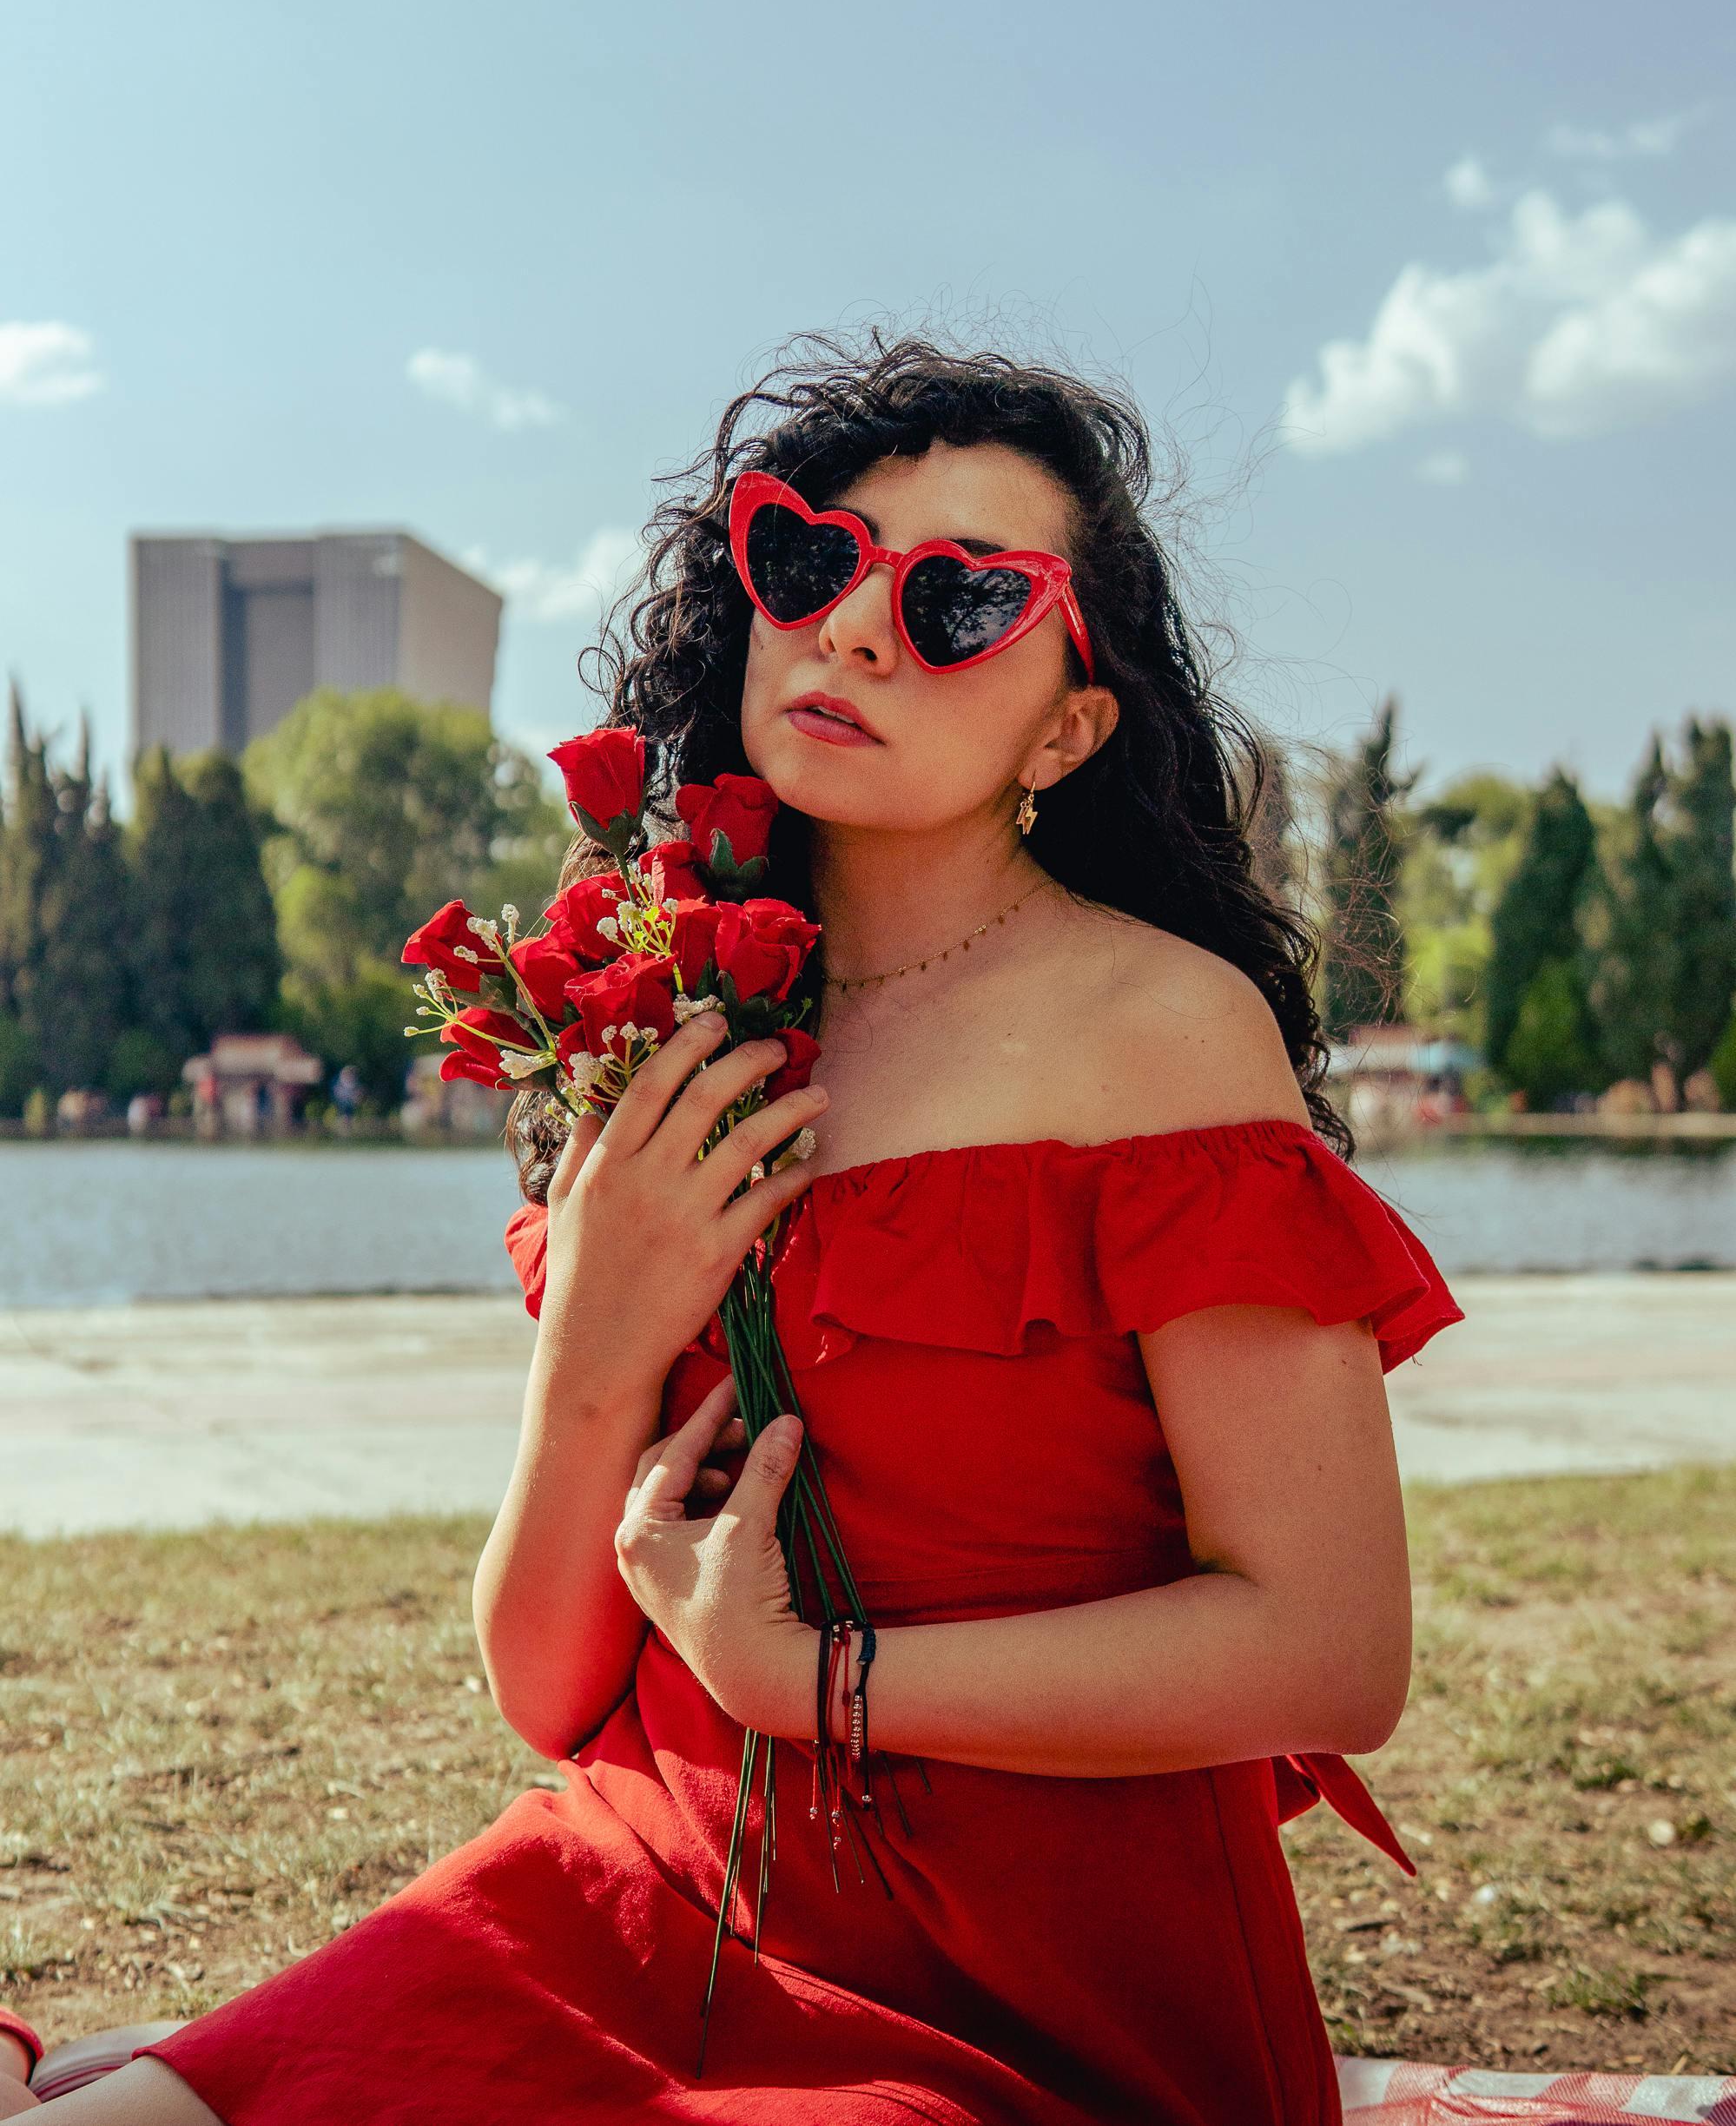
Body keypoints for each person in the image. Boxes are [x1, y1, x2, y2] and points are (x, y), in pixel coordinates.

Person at [17, 332, 1464, 2123]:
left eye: (958, 602)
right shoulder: (667, 1014)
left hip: (1032, 1987)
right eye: (809, 558)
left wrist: (812, 1675)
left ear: (1069, 721)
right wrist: (600, 1333)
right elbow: (550, 1689)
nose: (856, 625)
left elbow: (1330, 1647)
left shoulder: (1158, 1030)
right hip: (622, 1887)